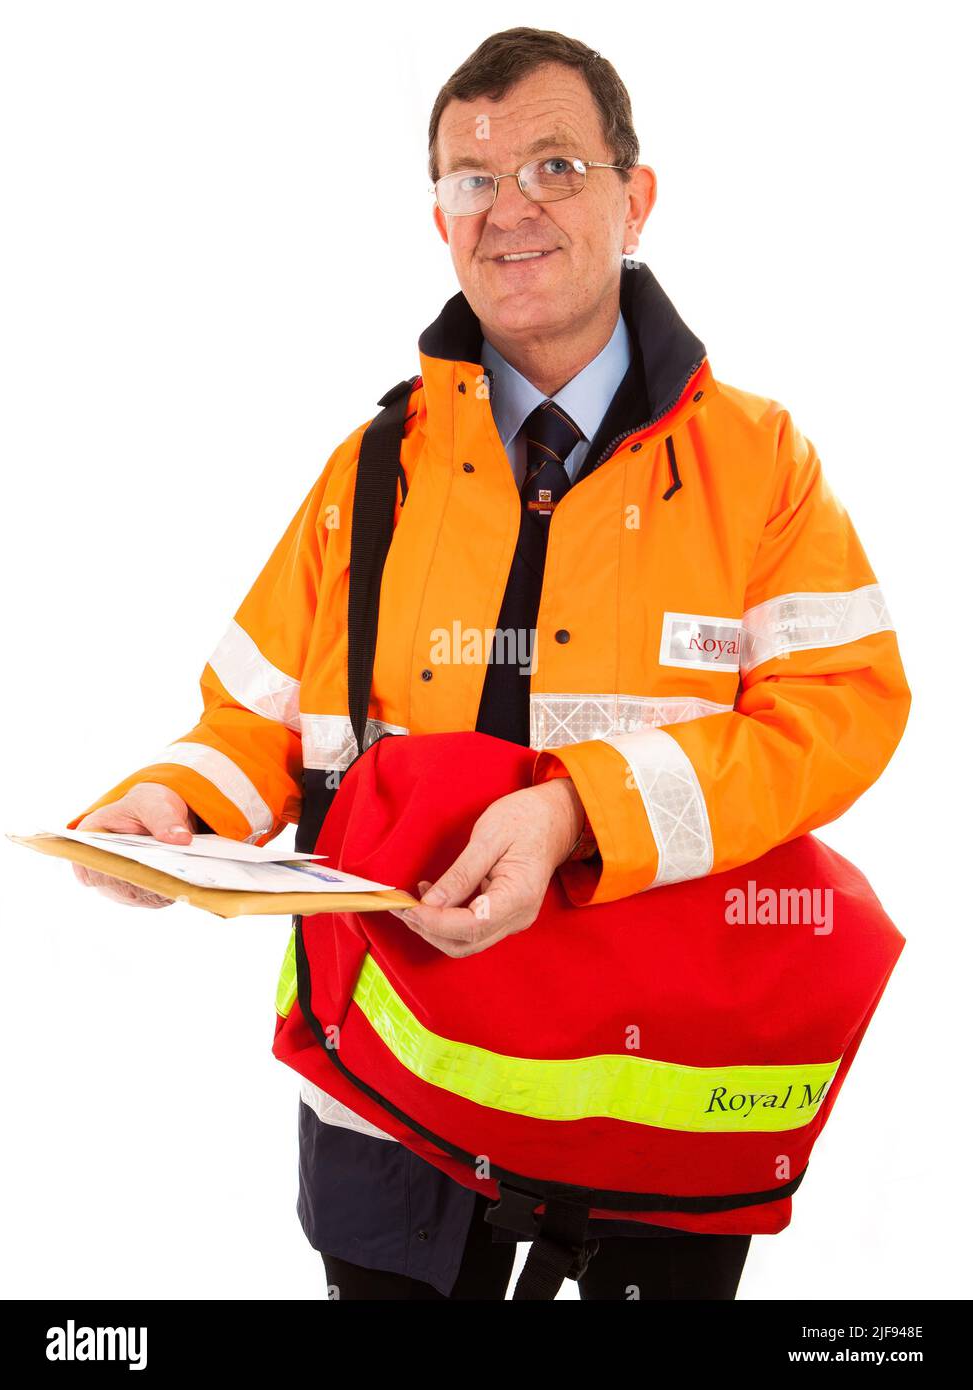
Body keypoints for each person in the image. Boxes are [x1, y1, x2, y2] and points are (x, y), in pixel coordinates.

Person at [69, 27, 911, 1300]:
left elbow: (839, 711)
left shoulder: (758, 465)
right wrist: (174, 803)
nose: (508, 207)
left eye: (554, 165)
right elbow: (259, 714)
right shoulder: (371, 472)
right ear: (438, 220)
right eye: (471, 178)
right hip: (388, 1088)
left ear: (634, 198)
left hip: (639, 1092)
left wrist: (581, 808)